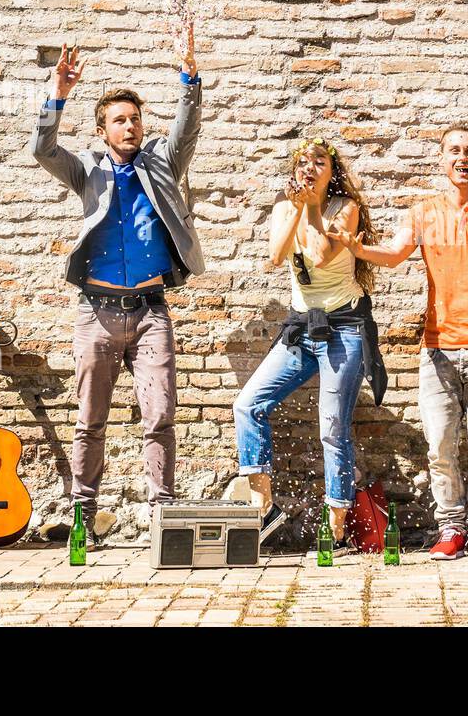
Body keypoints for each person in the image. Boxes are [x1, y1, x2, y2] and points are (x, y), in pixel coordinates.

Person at [326, 122, 468, 560]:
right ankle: (450, 529)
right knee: (439, 447)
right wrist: (356, 249)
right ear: (442, 159)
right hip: (437, 348)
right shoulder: (424, 211)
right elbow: (393, 254)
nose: (462, 157)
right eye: (454, 150)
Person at [29, 28, 204, 543]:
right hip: (96, 313)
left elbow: (187, 126)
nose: (130, 126)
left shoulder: (163, 162)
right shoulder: (86, 170)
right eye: (119, 121)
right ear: (103, 131)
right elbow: (42, 148)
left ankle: (162, 516)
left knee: (160, 416)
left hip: (151, 312)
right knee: (90, 420)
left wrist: (189, 74)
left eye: (135, 119)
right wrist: (56, 95)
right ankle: (84, 515)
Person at [231, 137, 387, 550]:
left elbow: (319, 254)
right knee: (248, 405)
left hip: (343, 329)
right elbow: (277, 255)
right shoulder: (285, 207)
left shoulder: (345, 210)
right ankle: (263, 508)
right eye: (304, 161)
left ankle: (335, 525)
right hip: (302, 328)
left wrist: (313, 207)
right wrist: (297, 208)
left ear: (332, 172)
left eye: (320, 161)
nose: (311, 167)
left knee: (333, 429)